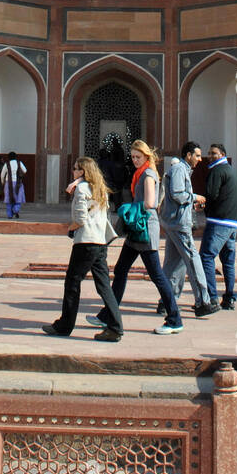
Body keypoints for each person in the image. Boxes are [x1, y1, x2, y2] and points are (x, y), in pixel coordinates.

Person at [88, 139, 184, 335]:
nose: (135, 160)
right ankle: (108, 315)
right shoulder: (141, 173)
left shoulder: (148, 174)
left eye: (138, 157)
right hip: (138, 229)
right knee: (121, 270)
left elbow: (150, 203)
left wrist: (129, 208)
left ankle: (174, 318)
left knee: (157, 275)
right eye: (132, 157)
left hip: (145, 229)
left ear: (146, 156)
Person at [42, 156, 124, 341]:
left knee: (72, 282)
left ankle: (65, 325)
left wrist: (69, 228)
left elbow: (80, 219)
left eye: (75, 168)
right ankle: (116, 326)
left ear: (83, 172)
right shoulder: (100, 189)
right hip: (100, 243)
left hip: (86, 243)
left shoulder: (81, 188)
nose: (72, 171)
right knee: (103, 285)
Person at [161, 142, 220, 317]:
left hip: (174, 221)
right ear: (188, 155)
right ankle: (203, 302)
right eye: (198, 155)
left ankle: (166, 301)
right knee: (193, 260)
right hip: (179, 223)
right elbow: (178, 194)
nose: (200, 159)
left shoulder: (182, 169)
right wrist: (195, 197)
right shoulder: (180, 169)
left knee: (174, 264)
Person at [200, 143, 237, 309]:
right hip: (232, 223)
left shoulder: (217, 171)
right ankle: (229, 297)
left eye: (214, 153)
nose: (210, 156)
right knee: (228, 262)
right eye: (209, 153)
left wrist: (204, 207)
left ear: (222, 154)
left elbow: (211, 194)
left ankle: (212, 297)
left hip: (218, 223)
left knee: (206, 256)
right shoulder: (230, 170)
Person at [1, 151, 26, 220]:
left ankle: (9, 215)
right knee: (18, 198)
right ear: (15, 157)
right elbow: (25, 170)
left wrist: (2, 181)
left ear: (9, 157)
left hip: (8, 183)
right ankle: (15, 210)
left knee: (9, 200)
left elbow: (2, 174)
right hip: (18, 183)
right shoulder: (19, 163)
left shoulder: (7, 164)